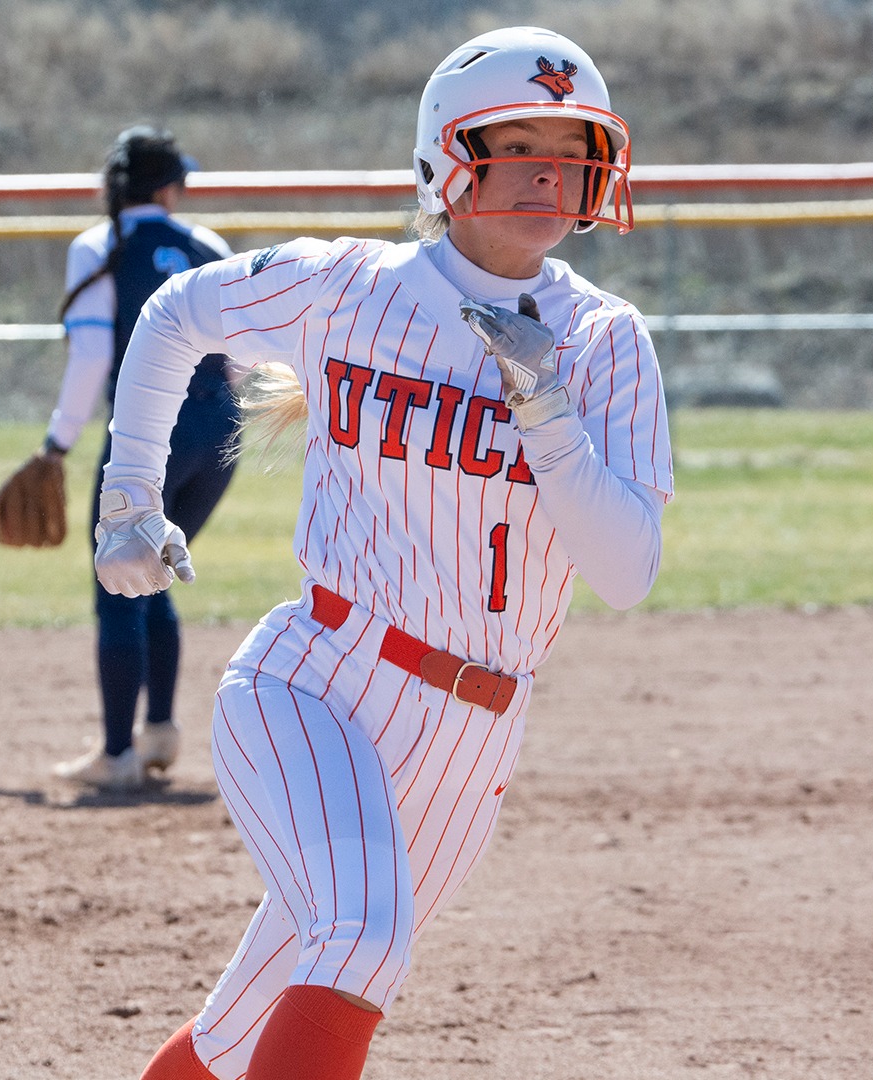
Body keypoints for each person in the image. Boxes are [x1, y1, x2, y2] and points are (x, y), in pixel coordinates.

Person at [92, 27, 672, 1080]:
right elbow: (179, 311)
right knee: (362, 936)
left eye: (575, 145)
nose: (554, 169)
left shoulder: (606, 342)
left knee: (242, 1028)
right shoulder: (351, 286)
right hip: (319, 678)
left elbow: (628, 572)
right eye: (518, 142)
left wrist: (547, 409)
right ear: (447, 162)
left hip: (475, 741)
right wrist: (130, 494)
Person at [41, 126, 241, 790]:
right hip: (218, 429)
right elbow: (240, 355)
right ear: (165, 187)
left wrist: (56, 444)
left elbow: (95, 356)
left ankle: (117, 756)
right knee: (155, 565)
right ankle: (159, 732)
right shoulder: (205, 245)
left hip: (148, 426)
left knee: (121, 578)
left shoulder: (100, 247)